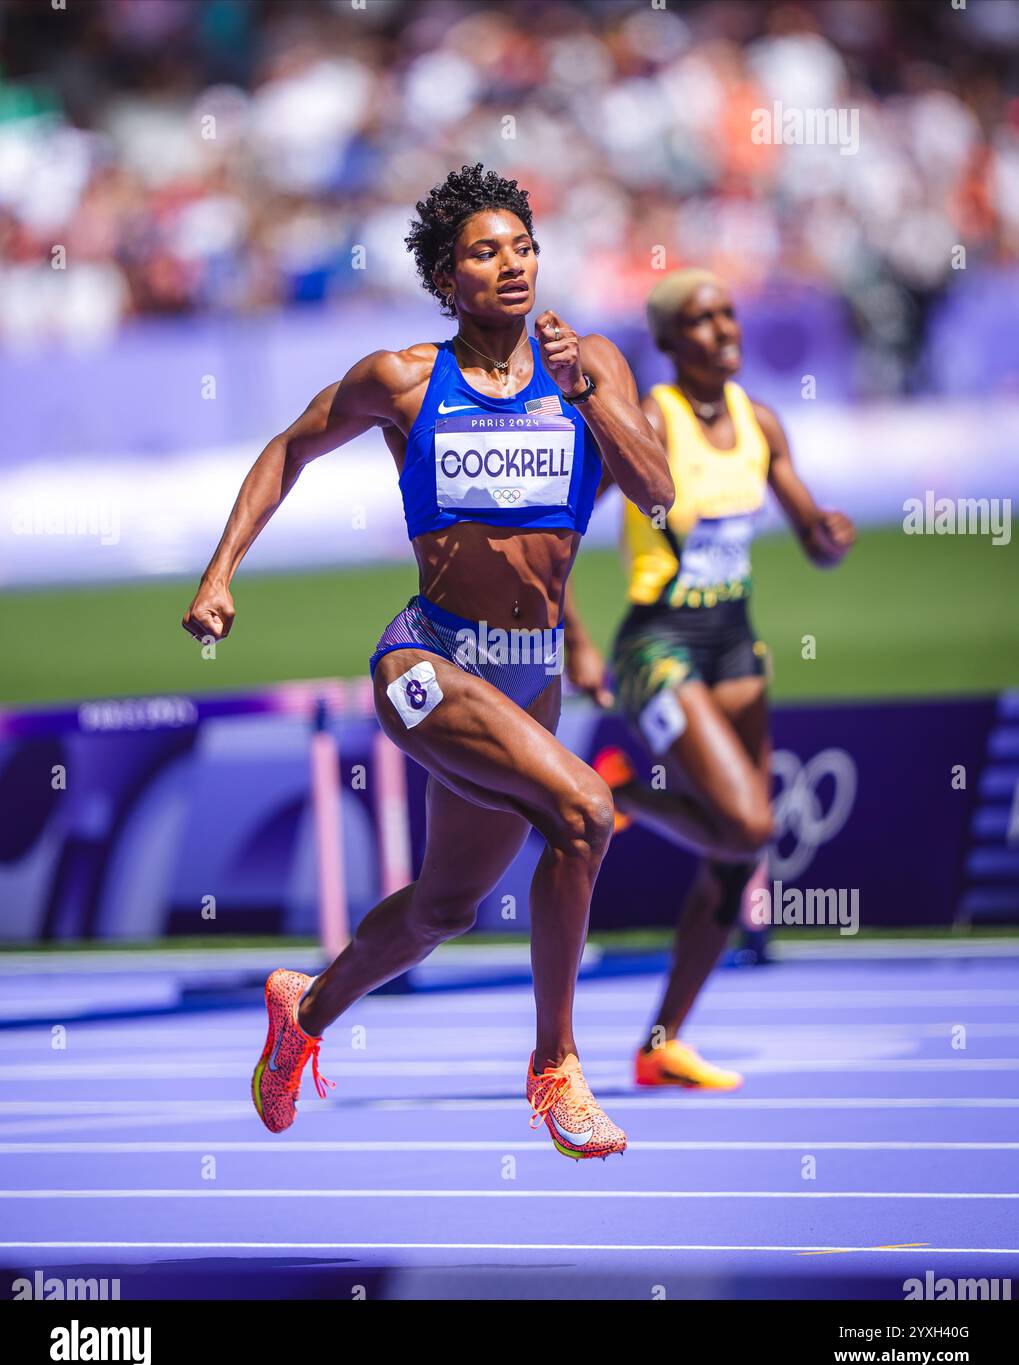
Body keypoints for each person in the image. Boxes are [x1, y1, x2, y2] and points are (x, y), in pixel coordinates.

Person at [181, 165, 673, 1160]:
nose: (512, 265)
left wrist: (590, 397)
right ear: (447, 280)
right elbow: (287, 449)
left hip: (526, 678)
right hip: (424, 664)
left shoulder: (590, 363)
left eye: (523, 247)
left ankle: (303, 1012)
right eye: (486, 252)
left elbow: (657, 489)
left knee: (444, 907)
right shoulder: (402, 378)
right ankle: (555, 1068)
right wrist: (219, 572)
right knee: (583, 810)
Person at [564, 268, 855, 1089]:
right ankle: (618, 793)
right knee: (750, 827)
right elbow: (557, 535)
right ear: (664, 341)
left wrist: (830, 536)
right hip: (657, 647)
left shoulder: (757, 422)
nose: (722, 328)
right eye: (699, 319)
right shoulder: (646, 420)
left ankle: (661, 1044)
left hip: (736, 646)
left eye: (727, 314)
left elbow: (813, 536)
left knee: (730, 858)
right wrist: (576, 643)